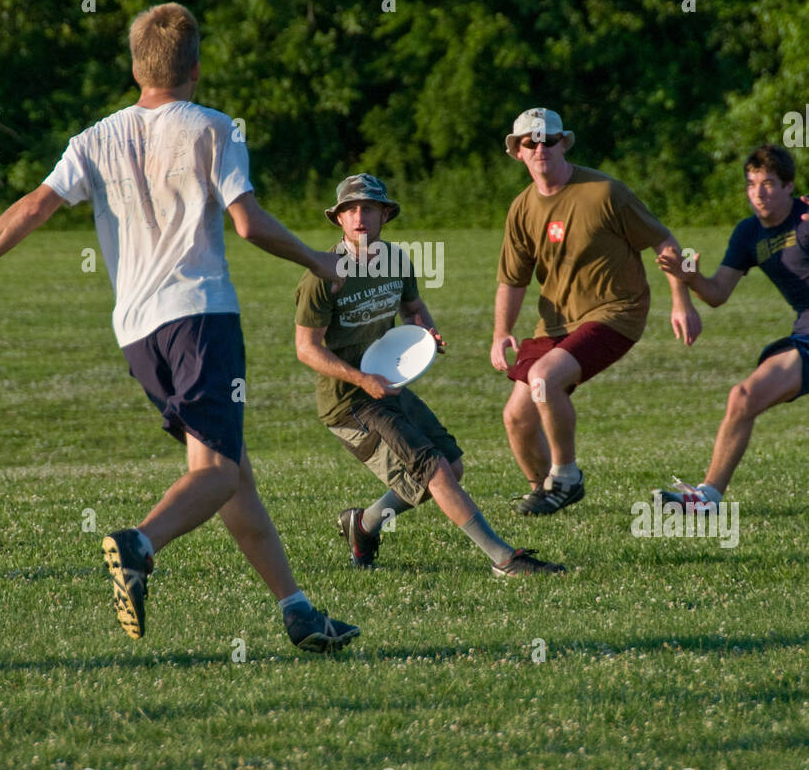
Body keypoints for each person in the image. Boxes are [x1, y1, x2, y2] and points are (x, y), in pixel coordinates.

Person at [0, 2, 359, 652]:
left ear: (134, 69)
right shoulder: (212, 128)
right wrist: (320, 258)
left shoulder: (93, 138)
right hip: (200, 316)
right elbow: (249, 222)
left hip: (137, 334)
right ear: (197, 68)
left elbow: (35, 206)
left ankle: (297, 610)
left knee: (229, 471)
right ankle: (137, 545)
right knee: (217, 471)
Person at [294, 173, 565, 577]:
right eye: (349, 209)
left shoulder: (396, 261)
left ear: (385, 214)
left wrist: (425, 330)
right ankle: (504, 558)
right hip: (349, 402)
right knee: (434, 468)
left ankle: (364, 525)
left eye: (368, 207)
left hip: (386, 386)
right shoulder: (322, 275)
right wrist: (362, 380)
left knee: (452, 467)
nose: (358, 217)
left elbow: (413, 308)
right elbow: (306, 349)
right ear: (339, 220)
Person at [491, 107, 701, 516]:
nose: (540, 148)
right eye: (530, 142)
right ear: (517, 151)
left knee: (545, 379)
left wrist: (682, 300)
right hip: (555, 323)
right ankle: (546, 491)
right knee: (516, 418)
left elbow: (667, 242)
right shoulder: (521, 208)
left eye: (549, 139)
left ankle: (566, 476)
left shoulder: (605, 192)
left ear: (563, 143)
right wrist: (501, 332)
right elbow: (513, 279)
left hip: (616, 311)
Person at [656, 143, 809, 510]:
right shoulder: (747, 234)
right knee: (743, 397)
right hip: (806, 334)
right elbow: (717, 292)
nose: (759, 193)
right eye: (751, 183)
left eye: (769, 183)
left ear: (789, 186)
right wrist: (686, 274)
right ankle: (707, 498)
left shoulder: (806, 215)